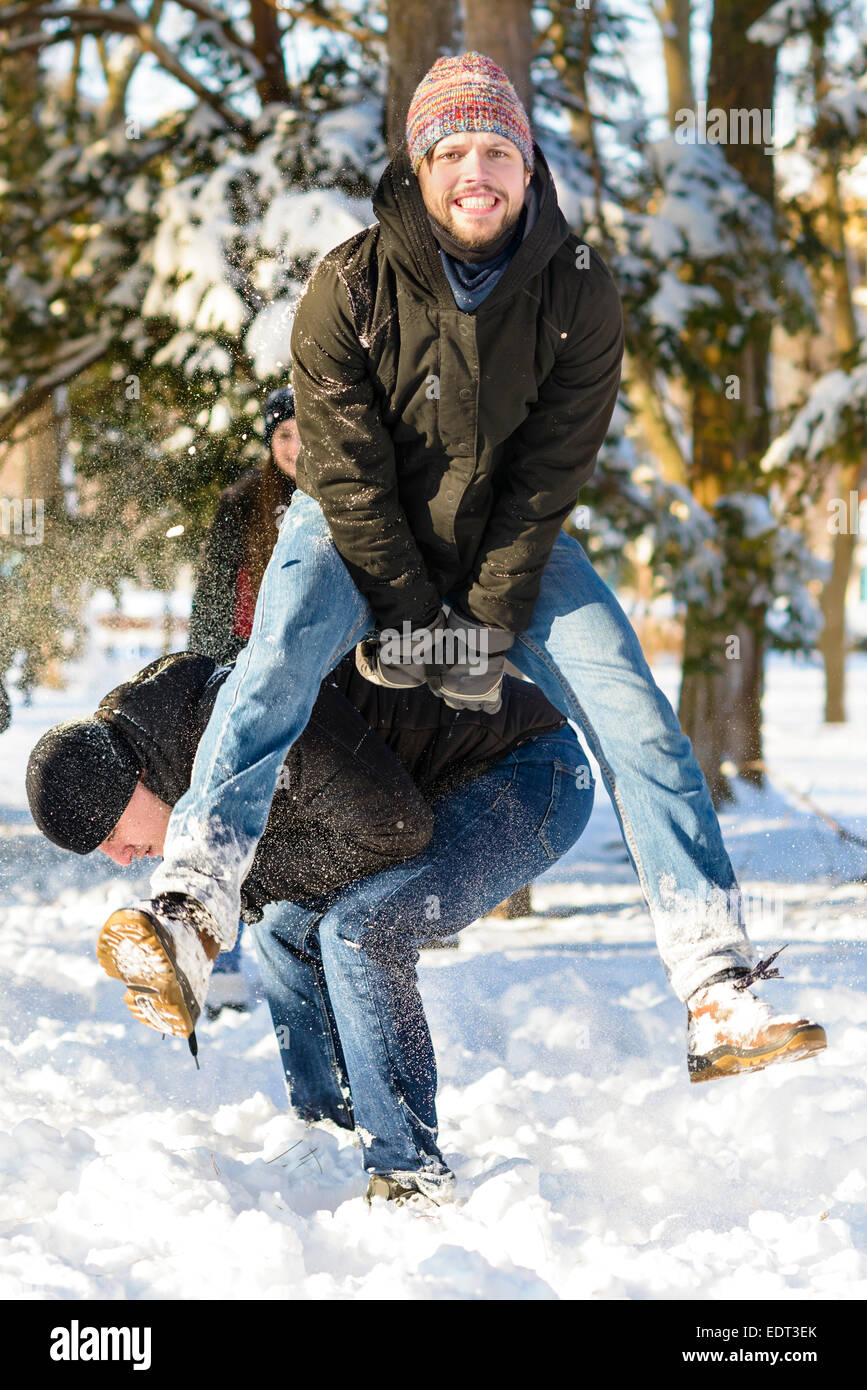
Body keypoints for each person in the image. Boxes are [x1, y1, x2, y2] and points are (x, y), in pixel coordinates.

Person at [103, 51, 825, 1087]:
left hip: (506, 537)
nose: (475, 170)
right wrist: (406, 620)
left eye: (499, 150)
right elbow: (348, 480)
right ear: (421, 163)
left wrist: (481, 624)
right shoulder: (345, 286)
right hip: (355, 535)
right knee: (274, 664)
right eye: (454, 150)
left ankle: (715, 984)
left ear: (528, 171)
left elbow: (548, 477)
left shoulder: (580, 293)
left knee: (632, 709)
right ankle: (190, 907)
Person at [26, 650, 590, 1202]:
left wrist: (240, 885)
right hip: (436, 782)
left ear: (138, 777)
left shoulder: (257, 724)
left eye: (111, 833)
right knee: (280, 934)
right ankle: (329, 1129)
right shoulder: (187, 757)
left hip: (532, 770)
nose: (121, 857)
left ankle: (407, 1172)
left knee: (361, 931)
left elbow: (396, 832)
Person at [186, 386, 299, 1012]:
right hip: (239, 669)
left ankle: (291, 956)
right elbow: (210, 598)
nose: (295, 448)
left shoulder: (336, 499)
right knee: (230, 804)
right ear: (270, 443)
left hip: (314, 677)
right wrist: (203, 673)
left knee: (289, 820)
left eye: (304, 435)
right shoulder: (240, 506)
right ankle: (219, 961)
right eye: (283, 436)